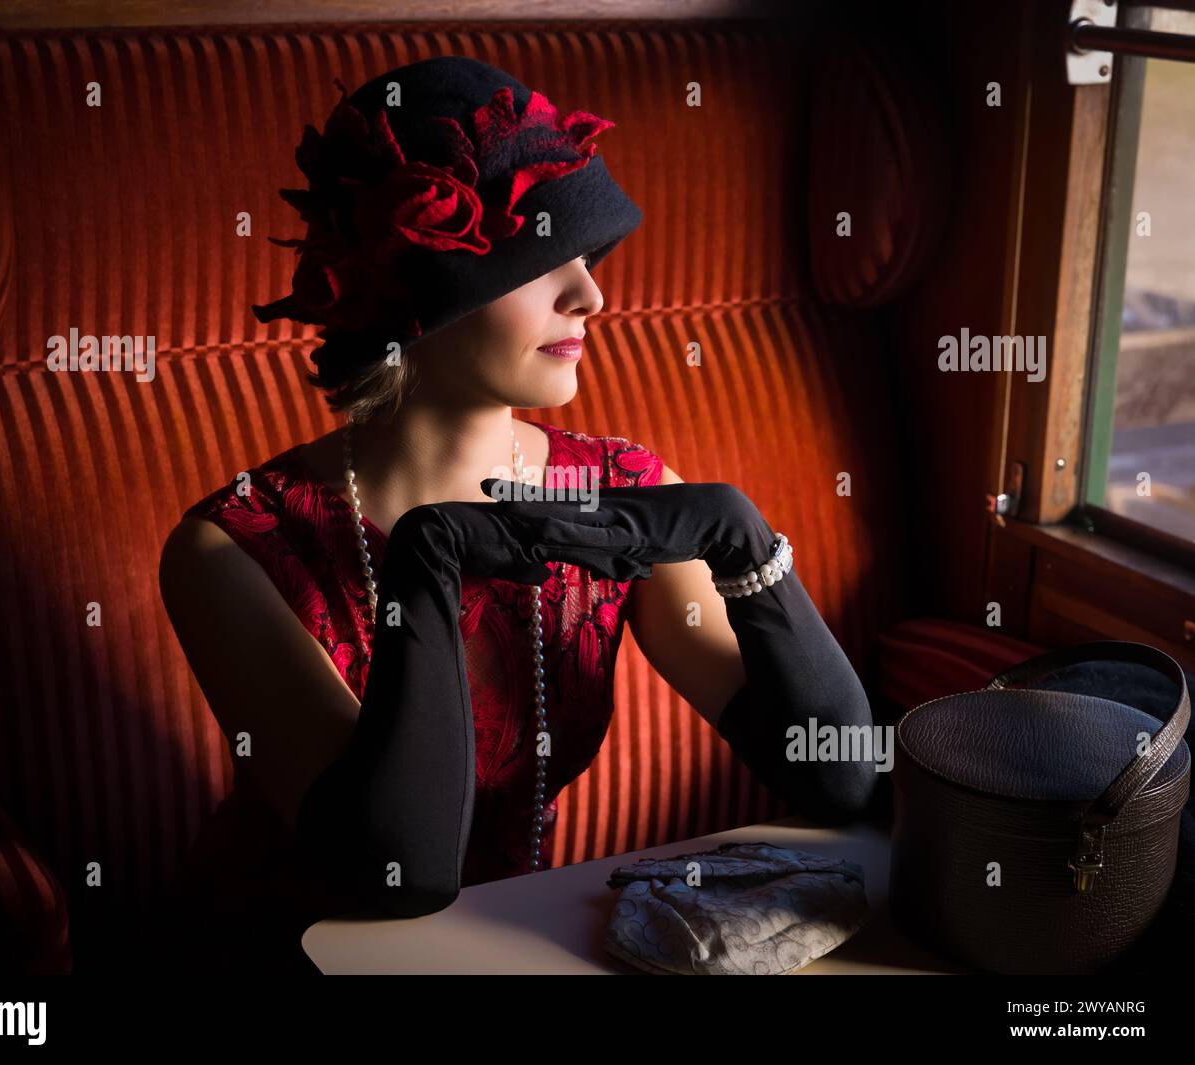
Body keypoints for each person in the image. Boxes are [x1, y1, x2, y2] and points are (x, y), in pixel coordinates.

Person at [156, 55, 877, 971]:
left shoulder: (622, 490)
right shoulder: (232, 548)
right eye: (542, 260)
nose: (591, 296)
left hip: (510, 949)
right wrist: (431, 555)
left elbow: (840, 771)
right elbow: (398, 870)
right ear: (414, 287)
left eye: (585, 257)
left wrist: (742, 538)